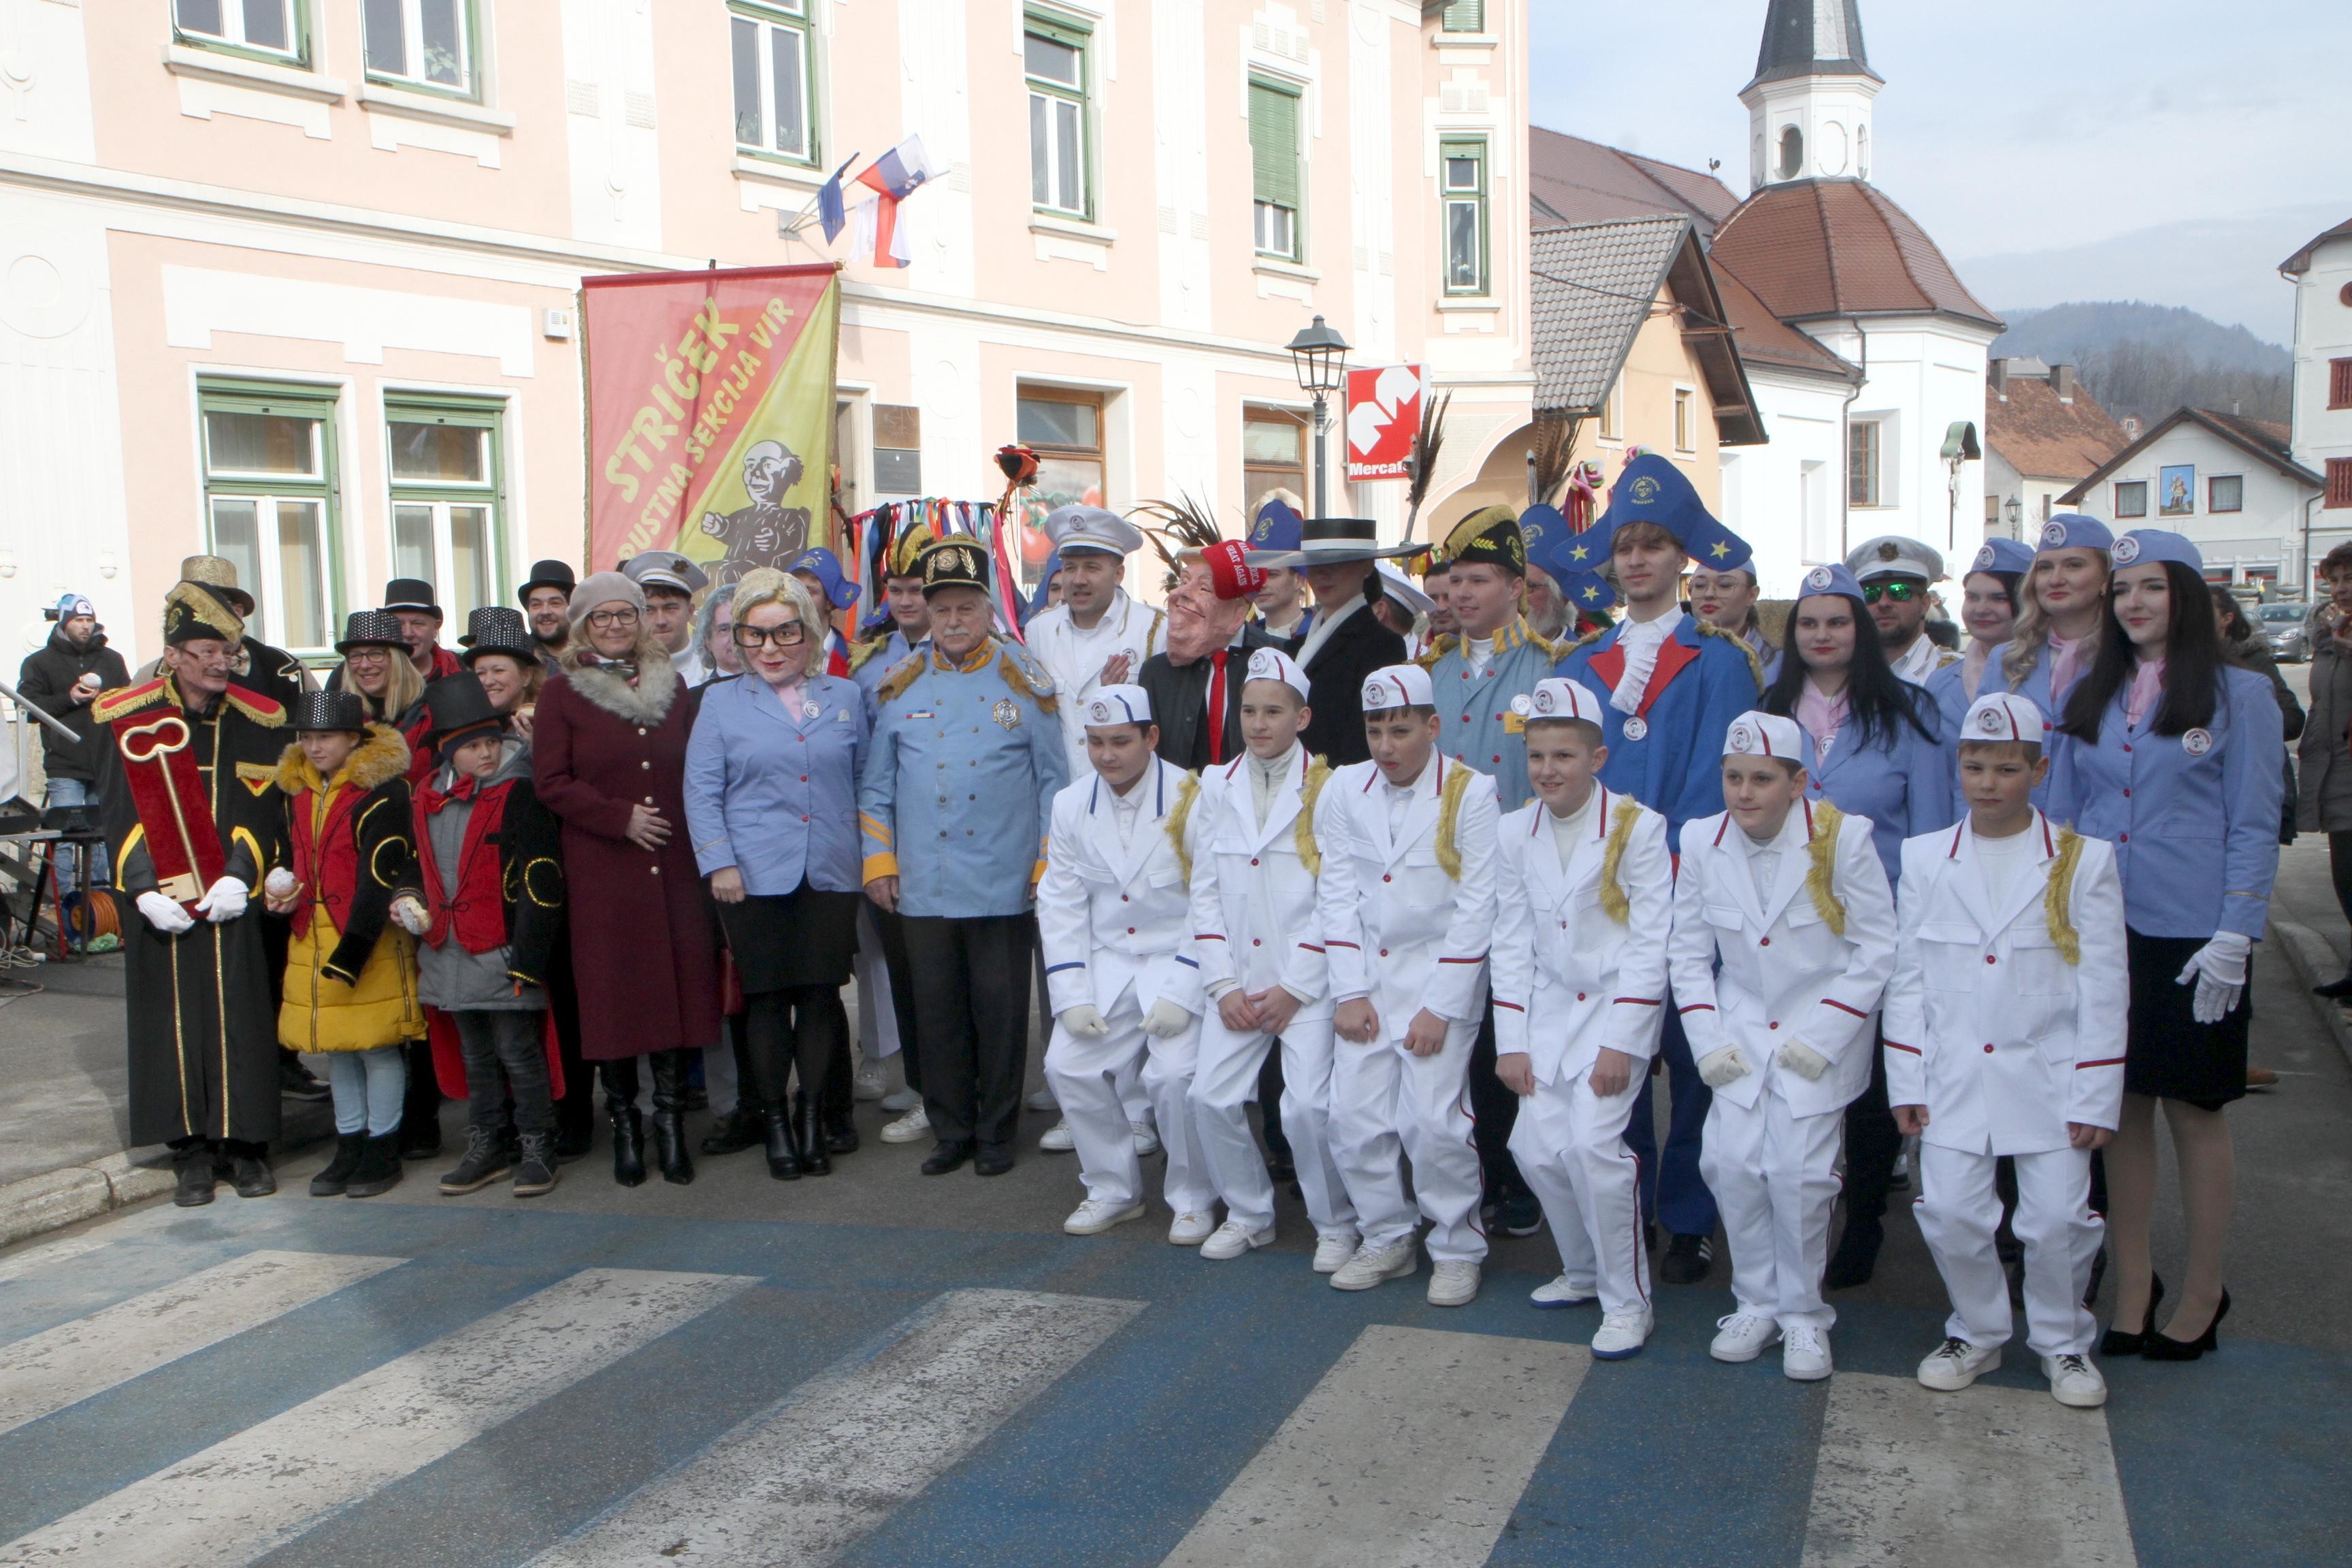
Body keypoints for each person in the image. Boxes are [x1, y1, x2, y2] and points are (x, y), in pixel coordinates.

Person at [2059, 528, 2282, 1363]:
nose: (2135, 604)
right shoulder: (2096, 687)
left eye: (2152, 587)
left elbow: (2256, 823)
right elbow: (2074, 811)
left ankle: (2202, 1290)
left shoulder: (2239, 695)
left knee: (2196, 1110)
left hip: (2194, 936)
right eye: (2123, 591)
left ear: (2186, 598)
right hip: (2106, 929)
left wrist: (2238, 931)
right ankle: (2134, 1285)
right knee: (2122, 1112)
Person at [1553, 453, 1763, 1286]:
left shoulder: (1718, 661)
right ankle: (1629, 1205)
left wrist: (1670, 872)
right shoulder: (1578, 662)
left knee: (1696, 1059)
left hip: (1689, 894)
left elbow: (1721, 782)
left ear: (1685, 558)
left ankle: (1690, 1214)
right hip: (1602, 900)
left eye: (1655, 546)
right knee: (1621, 1062)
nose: (1638, 561)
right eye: (1626, 546)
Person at [1889, 691, 2127, 1410]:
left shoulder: (2082, 862)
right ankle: (1979, 1329)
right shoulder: (1926, 858)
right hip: (1955, 1073)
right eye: (1974, 767)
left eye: (2005, 768)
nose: (1988, 783)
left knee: (2056, 1220)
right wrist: (1908, 1077)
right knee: (1954, 1214)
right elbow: (1907, 977)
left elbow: (2106, 986)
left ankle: (2064, 1341)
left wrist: (2097, 1095)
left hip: (2048, 1073)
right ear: (1957, 769)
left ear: (2039, 770)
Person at [1671, 711, 1898, 1379]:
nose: (1744, 793)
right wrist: (1707, 1039)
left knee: (1800, 1177)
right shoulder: (1703, 840)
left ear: (1799, 783)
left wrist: (1828, 1033)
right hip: (1739, 1029)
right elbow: (1687, 953)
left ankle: (1804, 1315)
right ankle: (1755, 1302)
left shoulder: (1841, 840)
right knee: (1730, 1165)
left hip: (1816, 1032)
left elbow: (1877, 946)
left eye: (1762, 779)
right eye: (1734, 777)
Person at [1761, 562, 1952, 1288]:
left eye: (1838, 621)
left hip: (1883, 924)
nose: (1823, 635)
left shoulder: (1909, 712)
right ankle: (1792, 1209)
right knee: (1795, 1071)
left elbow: (1933, 829)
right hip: (1788, 926)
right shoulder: (1768, 711)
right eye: (1809, 623)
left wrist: (1925, 924)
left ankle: (1864, 1216)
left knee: (1869, 1084)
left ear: (1861, 630)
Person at [860, 538, 1068, 1176]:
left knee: (1000, 1014)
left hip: (1003, 882)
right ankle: (951, 1130)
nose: (952, 621)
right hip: (924, 882)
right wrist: (879, 863)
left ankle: (997, 1131)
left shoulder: (1023, 681)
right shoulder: (901, 686)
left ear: (986, 610)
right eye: (941, 608)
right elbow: (877, 787)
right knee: (938, 1013)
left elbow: (1053, 784)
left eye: (965, 609)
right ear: (926, 609)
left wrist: (1044, 863)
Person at [1490, 679, 1673, 1358]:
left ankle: (1630, 1302)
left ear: (1597, 759)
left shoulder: (1637, 828)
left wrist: (1625, 1042)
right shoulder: (1515, 832)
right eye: (1537, 756)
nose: (1547, 771)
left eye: (1564, 756)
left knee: (1597, 1151)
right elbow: (1509, 940)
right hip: (1546, 1012)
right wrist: (1512, 1042)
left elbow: (1651, 944)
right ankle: (1583, 1271)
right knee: (1533, 1148)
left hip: (1612, 1009)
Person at [95, 581, 289, 1205]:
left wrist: (242, 874)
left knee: (239, 1016)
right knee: (171, 1021)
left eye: (227, 649)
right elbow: (118, 810)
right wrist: (141, 889)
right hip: (163, 898)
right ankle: (191, 1153)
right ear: (174, 655)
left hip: (231, 893)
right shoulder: (131, 716)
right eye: (206, 648)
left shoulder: (260, 717)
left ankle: (247, 1148)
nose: (220, 661)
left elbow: (265, 809)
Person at [1313, 664, 1501, 1306]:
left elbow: (1477, 907)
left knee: (1433, 1123)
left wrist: (1441, 1007)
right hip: (1367, 978)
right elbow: (1335, 892)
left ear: (1433, 725)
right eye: (1375, 731)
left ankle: (1456, 1244)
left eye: (1401, 730)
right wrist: (1350, 991)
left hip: (1435, 981)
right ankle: (1387, 1234)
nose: (1387, 747)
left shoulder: (1472, 793)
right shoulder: (1342, 788)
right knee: (1353, 1117)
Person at [534, 570, 724, 1187]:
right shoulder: (562, 695)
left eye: (626, 614)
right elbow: (552, 782)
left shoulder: (674, 687)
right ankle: (625, 1126)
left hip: (673, 868)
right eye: (601, 617)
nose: (615, 626)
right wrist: (619, 819)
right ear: (582, 625)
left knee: (673, 992)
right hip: (603, 871)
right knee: (613, 1000)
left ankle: (670, 1126)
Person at [686, 570, 870, 1180]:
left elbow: (867, 781)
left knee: (820, 999)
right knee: (765, 1004)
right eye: (754, 635)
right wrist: (719, 862)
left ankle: (815, 1117)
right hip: (751, 877)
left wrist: (872, 860)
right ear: (737, 640)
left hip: (830, 872)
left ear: (809, 633)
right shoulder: (720, 702)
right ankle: (774, 1124)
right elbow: (702, 791)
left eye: (784, 633)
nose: (769, 648)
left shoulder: (843, 697)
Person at [1182, 648, 1357, 1267]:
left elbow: (1337, 898)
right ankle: (1250, 1212)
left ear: (1302, 718)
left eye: (1273, 712)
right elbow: (1203, 893)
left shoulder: (1331, 789)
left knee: (1308, 1106)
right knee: (1209, 1096)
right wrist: (1223, 984)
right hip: (1238, 980)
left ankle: (1335, 1221)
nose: (1259, 724)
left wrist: (1299, 985)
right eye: (1250, 711)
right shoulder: (1215, 785)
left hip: (1303, 980)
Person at [1420, 506, 1561, 1241]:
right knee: (1448, 1035)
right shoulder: (1430, 673)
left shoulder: (1548, 666)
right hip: (1440, 885)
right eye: (1456, 579)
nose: (1463, 593)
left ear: (1517, 586)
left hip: (1520, 884)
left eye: (1480, 579)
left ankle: (1516, 1178)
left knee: (1508, 1037)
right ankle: (1458, 1169)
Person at [1036, 685, 1214, 1240]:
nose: (1106, 755)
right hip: (1109, 961)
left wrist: (1183, 989)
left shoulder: (1194, 795)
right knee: (1067, 1065)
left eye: (1120, 741)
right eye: (1094, 742)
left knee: (1174, 1076)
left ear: (1151, 737)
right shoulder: (1071, 803)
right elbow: (1061, 901)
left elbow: (1210, 902)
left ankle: (1193, 1197)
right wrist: (1071, 994)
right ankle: (1112, 1189)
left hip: (1179, 960)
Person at [393, 675, 568, 1199]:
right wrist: (406, 898)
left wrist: (527, 959)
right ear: (450, 754)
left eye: (491, 741)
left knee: (518, 1050)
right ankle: (487, 1140)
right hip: (446, 949)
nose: (487, 752)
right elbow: (414, 862)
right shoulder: (427, 797)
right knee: (474, 1054)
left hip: (503, 951)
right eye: (472, 746)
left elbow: (543, 878)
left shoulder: (521, 793)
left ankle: (538, 1141)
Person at [264, 690, 423, 1200]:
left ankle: (383, 1144)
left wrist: (352, 951)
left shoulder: (384, 792)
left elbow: (381, 876)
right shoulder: (300, 791)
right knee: (337, 1050)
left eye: (324, 737)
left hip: (366, 935)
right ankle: (349, 1140)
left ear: (354, 739)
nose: (313, 747)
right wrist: (286, 894)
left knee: (375, 1047)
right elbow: (298, 857)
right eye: (306, 738)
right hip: (313, 934)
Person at [1252, 517, 1416, 767]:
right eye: (1314, 564)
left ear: (1366, 567)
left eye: (1337, 563)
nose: (1323, 575)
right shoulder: (1300, 644)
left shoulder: (1382, 644)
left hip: (1339, 785)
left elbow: (1368, 735)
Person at [1024, 506, 1167, 786]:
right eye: (1070, 568)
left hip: (1129, 796)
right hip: (1061, 801)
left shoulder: (1154, 629)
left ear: (1118, 574)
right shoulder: (1039, 631)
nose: (1079, 580)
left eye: (1092, 567)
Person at [18, 593, 131, 891]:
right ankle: (64, 903)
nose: (84, 626)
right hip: (64, 764)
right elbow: (29, 707)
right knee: (64, 836)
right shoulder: (39, 662)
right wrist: (69, 698)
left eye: (89, 620)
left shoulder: (111, 659)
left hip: (106, 760)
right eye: (78, 620)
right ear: (64, 623)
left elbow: (127, 703)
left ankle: (100, 904)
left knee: (103, 835)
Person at [1136, 541, 1275, 770]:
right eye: (1183, 581)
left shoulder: (1274, 661)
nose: (1179, 594)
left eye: (1204, 588)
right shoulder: (1156, 673)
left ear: (1237, 615)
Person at [1999, 514, 2113, 738]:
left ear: (2106, 578)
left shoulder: (2126, 660)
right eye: (2045, 568)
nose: (2055, 579)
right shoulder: (2007, 659)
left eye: (2074, 565)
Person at [2299, 542, 2352, 998]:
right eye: (2335, 580)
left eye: (2349, 579)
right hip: (2335, 772)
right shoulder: (2331, 635)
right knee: (2346, 879)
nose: (2341, 589)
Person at [1925, 538, 2034, 741]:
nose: (1981, 609)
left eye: (1999, 598)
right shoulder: (1941, 683)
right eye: (1972, 597)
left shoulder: (2051, 675)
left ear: (2028, 601)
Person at [174, 555, 313, 708]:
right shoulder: (154, 674)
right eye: (190, 608)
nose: (198, 618)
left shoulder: (287, 669)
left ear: (238, 611)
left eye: (213, 609)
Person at [1846, 538, 1960, 687]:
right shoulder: (1844, 677)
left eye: (1899, 592)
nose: (1883, 603)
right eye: (1871, 593)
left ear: (1925, 604)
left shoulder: (1957, 675)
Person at [459, 607, 546, 741]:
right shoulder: (470, 726)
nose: (488, 681)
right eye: (480, 673)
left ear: (526, 676)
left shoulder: (549, 720)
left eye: (499, 671)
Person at [623, 551, 710, 683]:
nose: (661, 621)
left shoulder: (712, 669)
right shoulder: (624, 673)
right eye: (649, 610)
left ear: (690, 611)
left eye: (670, 608)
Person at [787, 548, 864, 676]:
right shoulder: (774, 654)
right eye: (793, 590)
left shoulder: (857, 659)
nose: (799, 598)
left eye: (810, 591)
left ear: (829, 602)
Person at [1246, 500, 1314, 643]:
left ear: (1299, 580)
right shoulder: (1245, 639)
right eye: (1257, 574)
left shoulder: (1319, 636)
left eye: (1272, 574)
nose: (1261, 583)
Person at [380, 578, 465, 683]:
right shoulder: (371, 677)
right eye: (398, 624)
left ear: (436, 627)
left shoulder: (462, 670)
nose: (408, 633)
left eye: (418, 624)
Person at [519, 559, 577, 667]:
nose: (545, 612)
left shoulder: (592, 657)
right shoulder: (521, 661)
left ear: (572, 609)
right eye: (536, 605)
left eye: (555, 603)